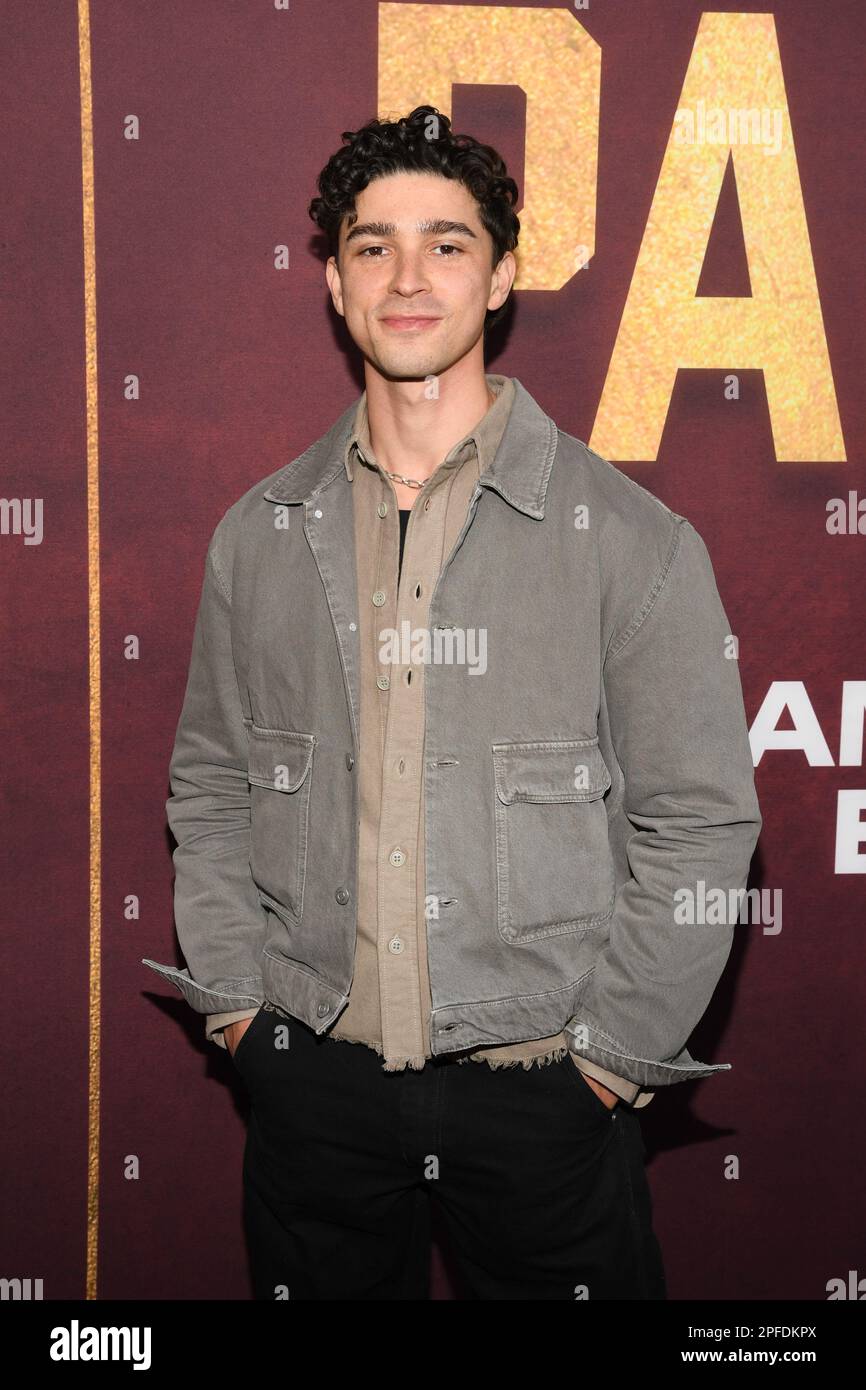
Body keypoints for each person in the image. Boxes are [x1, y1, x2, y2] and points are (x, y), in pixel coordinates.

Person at [143, 105, 762, 1300]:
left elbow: (698, 823)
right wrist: (237, 1016)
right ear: (331, 281)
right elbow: (210, 787)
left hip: (543, 1096)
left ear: (502, 275)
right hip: (310, 1085)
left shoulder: (629, 540)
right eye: (372, 246)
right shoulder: (258, 536)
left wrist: (602, 1064)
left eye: (447, 242)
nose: (408, 277)